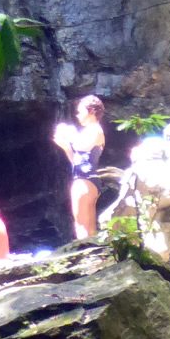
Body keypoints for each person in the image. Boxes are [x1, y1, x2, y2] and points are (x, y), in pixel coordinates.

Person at [53, 94, 106, 240]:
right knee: (89, 228)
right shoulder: (91, 131)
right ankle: (97, 257)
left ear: (91, 111)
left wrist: (69, 133)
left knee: (81, 225)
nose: (77, 115)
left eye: (80, 111)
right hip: (87, 179)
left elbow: (80, 145)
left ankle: (86, 255)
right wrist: (65, 147)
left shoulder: (95, 129)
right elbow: (76, 160)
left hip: (84, 181)